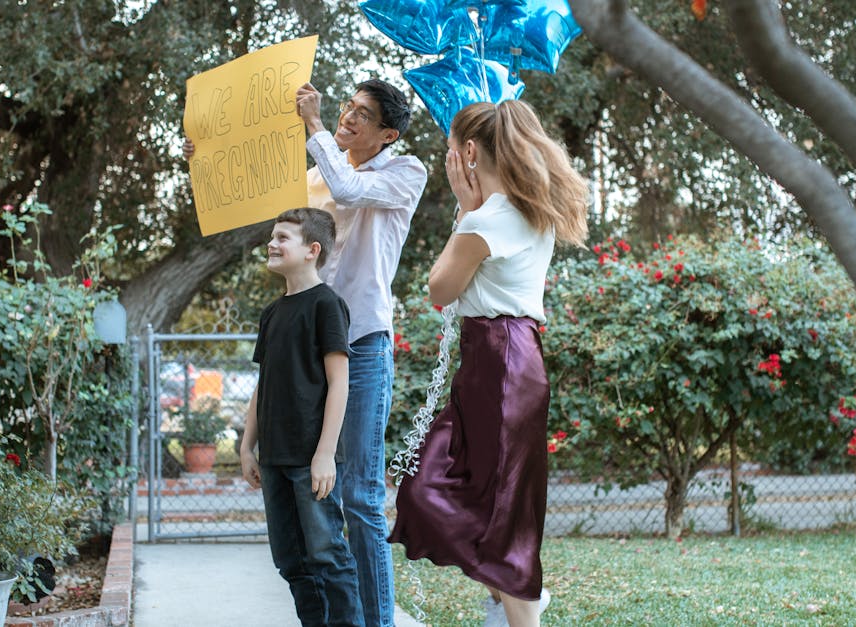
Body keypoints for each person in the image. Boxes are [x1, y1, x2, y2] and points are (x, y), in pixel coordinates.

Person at [186, 78, 426, 627]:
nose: (348, 117)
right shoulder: (316, 174)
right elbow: (263, 211)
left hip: (361, 346)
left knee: (361, 496)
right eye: (347, 107)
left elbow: (348, 191)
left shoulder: (404, 173)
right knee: (315, 501)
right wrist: (207, 161)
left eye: (363, 115)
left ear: (388, 134)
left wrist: (314, 125)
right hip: (307, 353)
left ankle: (377, 621)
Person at [386, 100, 589, 627]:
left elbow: (439, 288)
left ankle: (523, 609)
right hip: (504, 358)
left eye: (452, 148)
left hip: (500, 360)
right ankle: (509, 602)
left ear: (470, 152)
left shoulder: (489, 218)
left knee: (486, 504)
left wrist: (463, 205)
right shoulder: (527, 208)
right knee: (484, 497)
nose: (450, 157)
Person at [239, 207, 361, 626]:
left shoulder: (327, 305)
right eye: (272, 236)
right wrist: (246, 445)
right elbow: (264, 383)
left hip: (312, 460)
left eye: (282, 238)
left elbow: (339, 383)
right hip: (274, 457)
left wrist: (325, 454)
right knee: (291, 562)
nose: (271, 244)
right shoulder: (271, 313)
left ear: (312, 250)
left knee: (327, 556)